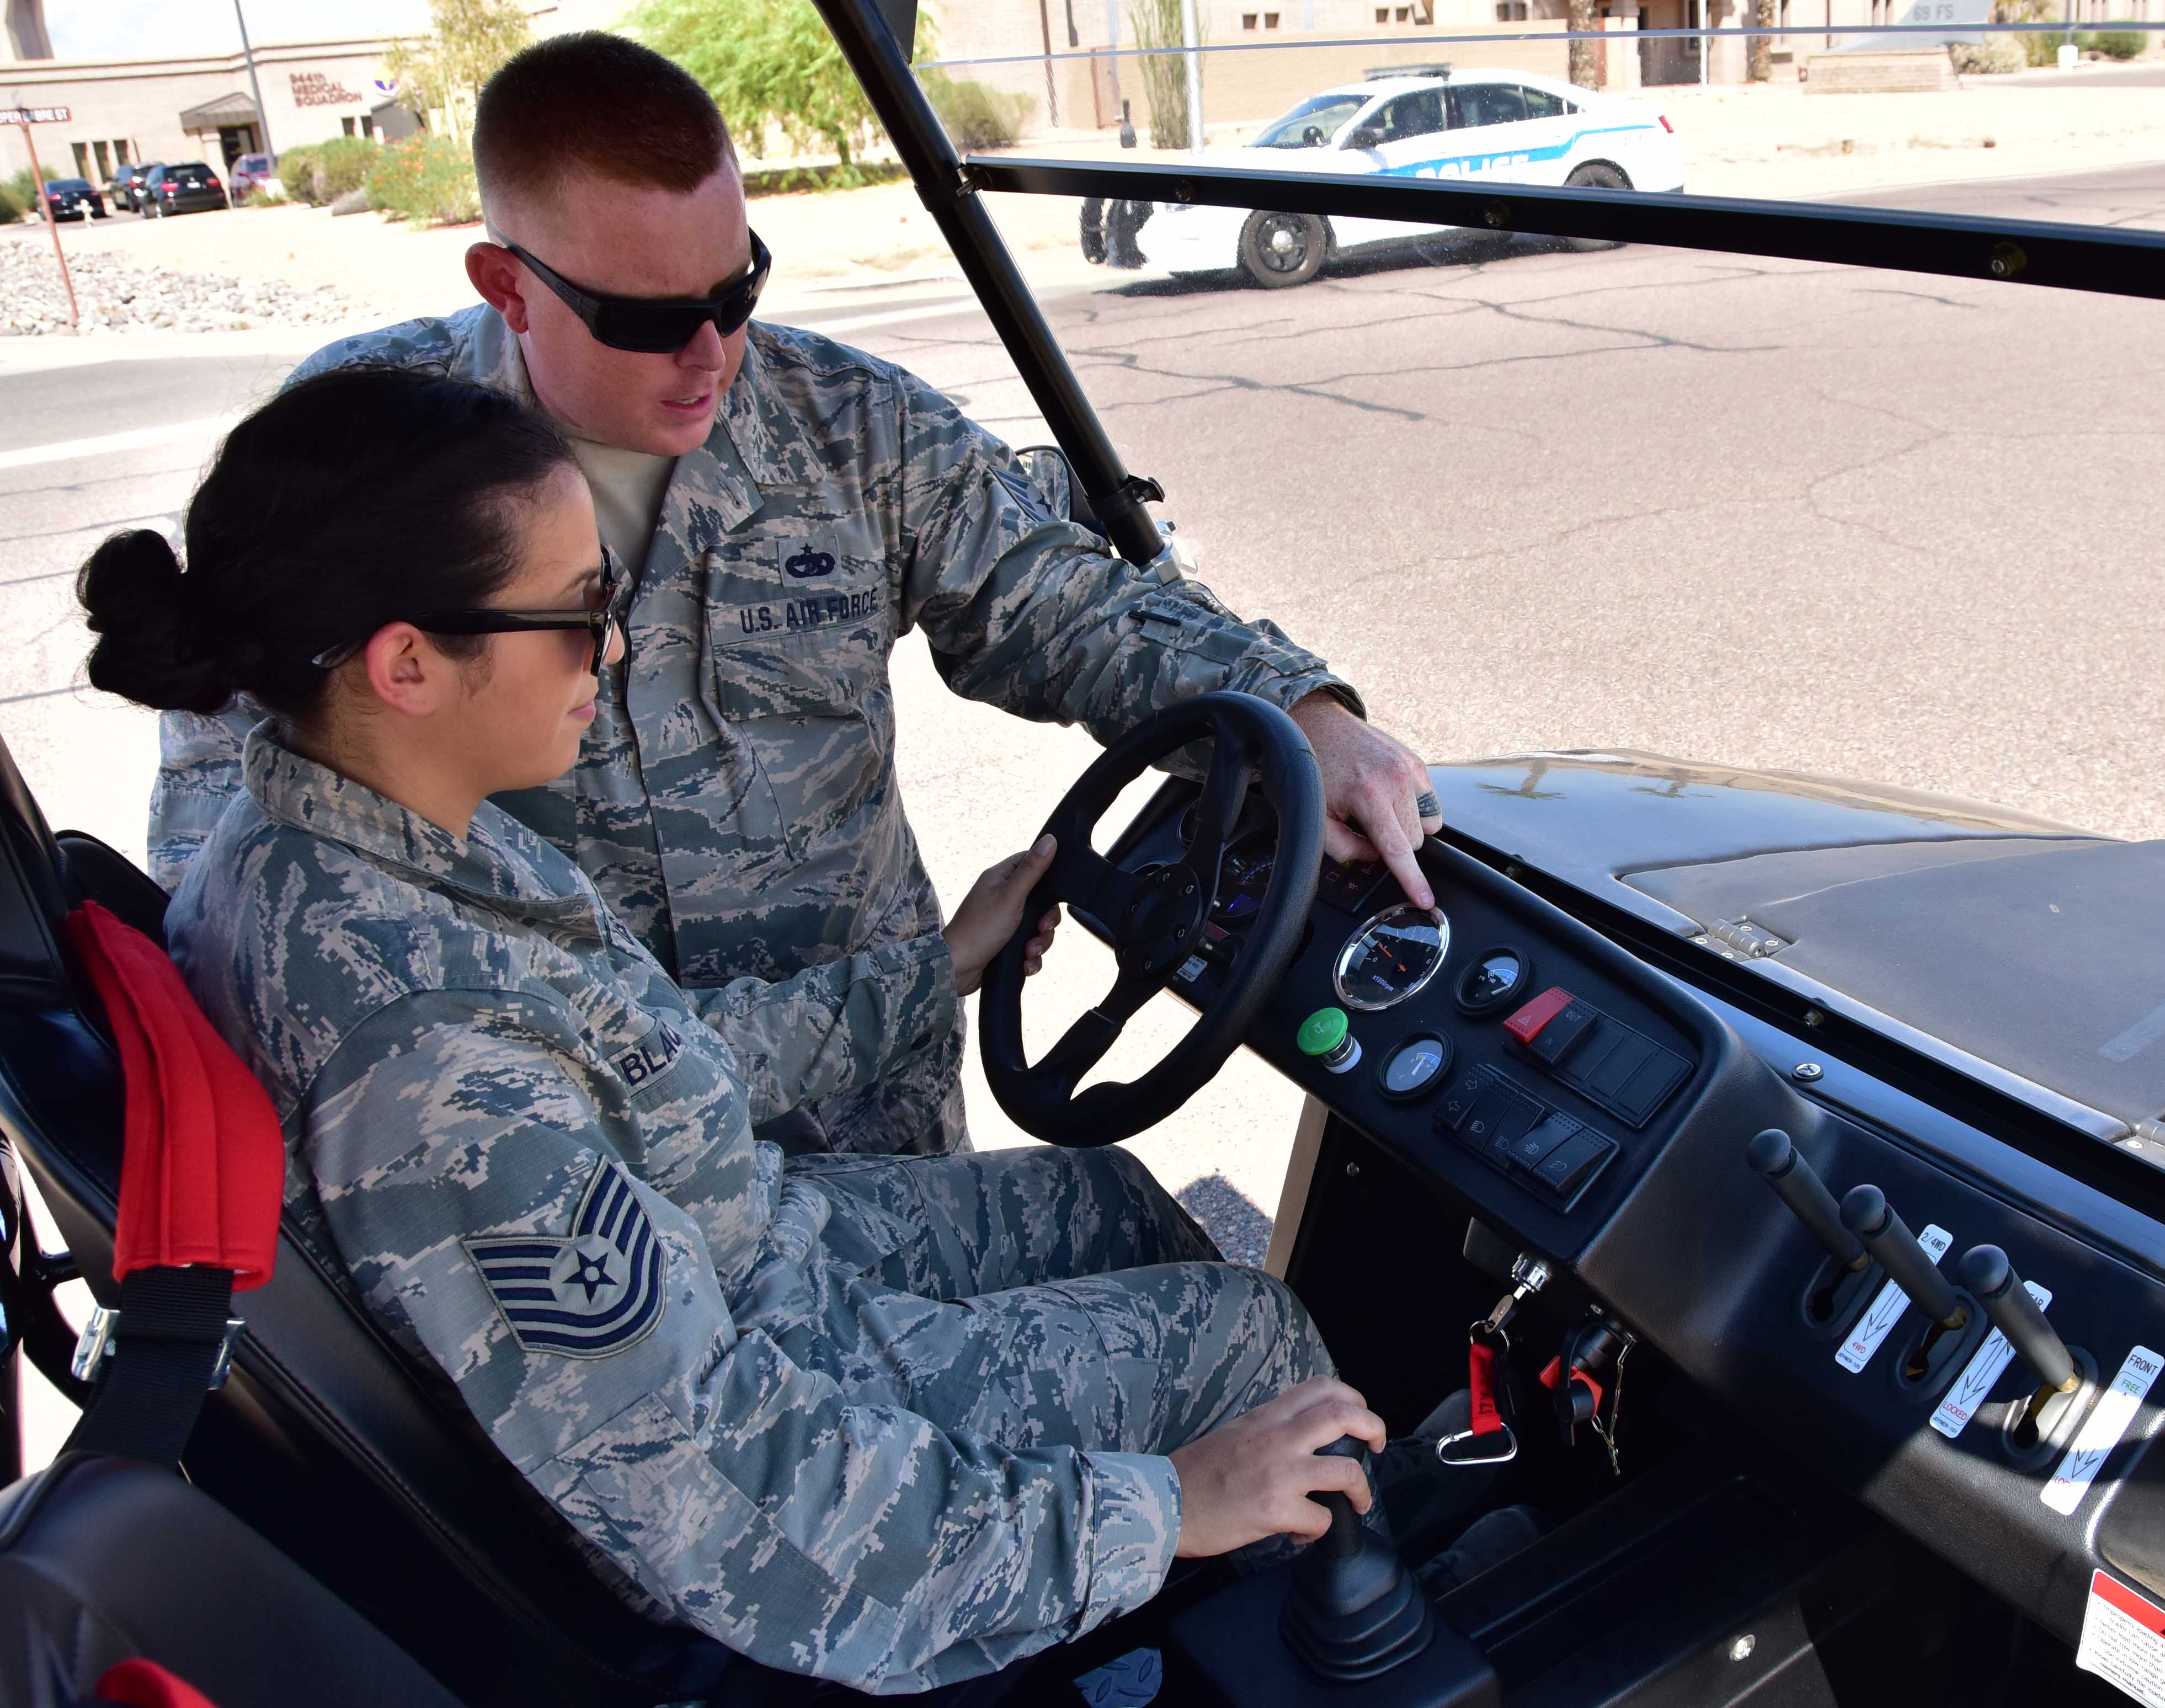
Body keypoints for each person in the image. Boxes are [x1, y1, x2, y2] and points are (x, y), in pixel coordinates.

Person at [81, 366, 1388, 1694]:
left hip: (755, 1255)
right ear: (407, 662)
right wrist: (1169, 1506)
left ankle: (1163, 1620)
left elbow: (637, 1064)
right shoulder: (431, 1072)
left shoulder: (351, 837)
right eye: (582, 614)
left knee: (1109, 1199)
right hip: (764, 1403)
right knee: (1251, 1343)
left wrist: (928, 972)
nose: (621, 648)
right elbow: (732, 1502)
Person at [145, 31, 1446, 1162]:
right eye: (649, 319)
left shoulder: (846, 424)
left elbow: (1059, 606)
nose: (714, 355)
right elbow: (241, 822)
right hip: (567, 1150)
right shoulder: (364, 454)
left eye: (736, 291)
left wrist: (1300, 710)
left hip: (867, 1104)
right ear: (508, 287)